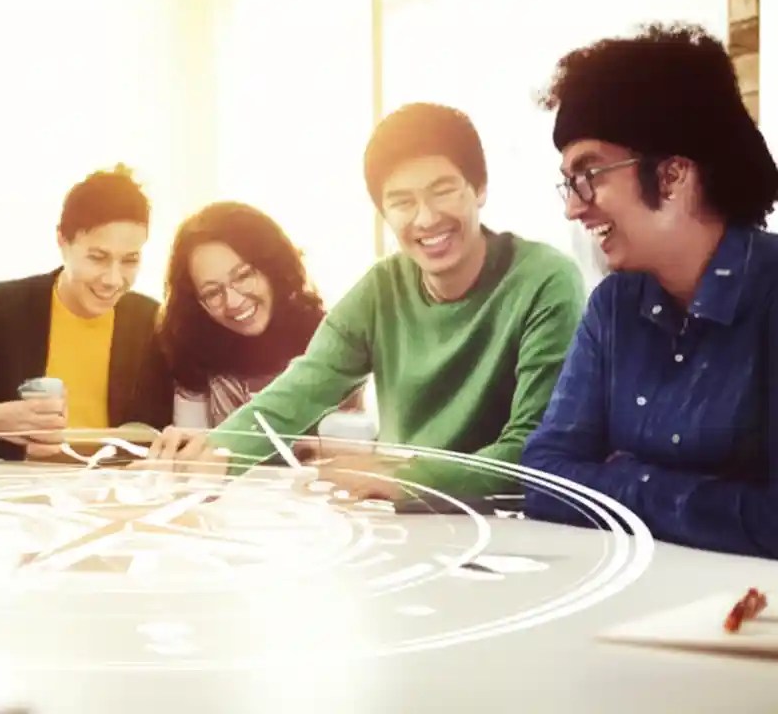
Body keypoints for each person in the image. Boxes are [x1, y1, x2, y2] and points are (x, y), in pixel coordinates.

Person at [144, 103, 584, 500]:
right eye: (402, 201)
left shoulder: (546, 280)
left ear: (479, 188)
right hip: (404, 522)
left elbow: (535, 445)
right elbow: (302, 387)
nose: (426, 218)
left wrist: (402, 477)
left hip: (511, 520)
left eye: (443, 190)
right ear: (385, 213)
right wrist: (216, 453)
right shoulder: (381, 288)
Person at [522, 24, 778, 559]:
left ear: (673, 176)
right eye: (569, 181)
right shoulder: (614, 306)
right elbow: (544, 477)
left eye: (589, 173)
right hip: (630, 605)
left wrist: (631, 479)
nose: (573, 206)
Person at [0, 165, 173, 459]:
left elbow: (162, 433)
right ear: (62, 241)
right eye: (97, 257)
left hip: (118, 493)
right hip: (19, 491)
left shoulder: (151, 322)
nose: (113, 279)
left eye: (130, 260)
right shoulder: (0, 307)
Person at [159, 201, 358, 427]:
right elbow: (191, 446)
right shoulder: (193, 352)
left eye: (243, 276)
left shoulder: (331, 341)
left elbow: (353, 445)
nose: (233, 302)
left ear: (272, 267)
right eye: (212, 292)